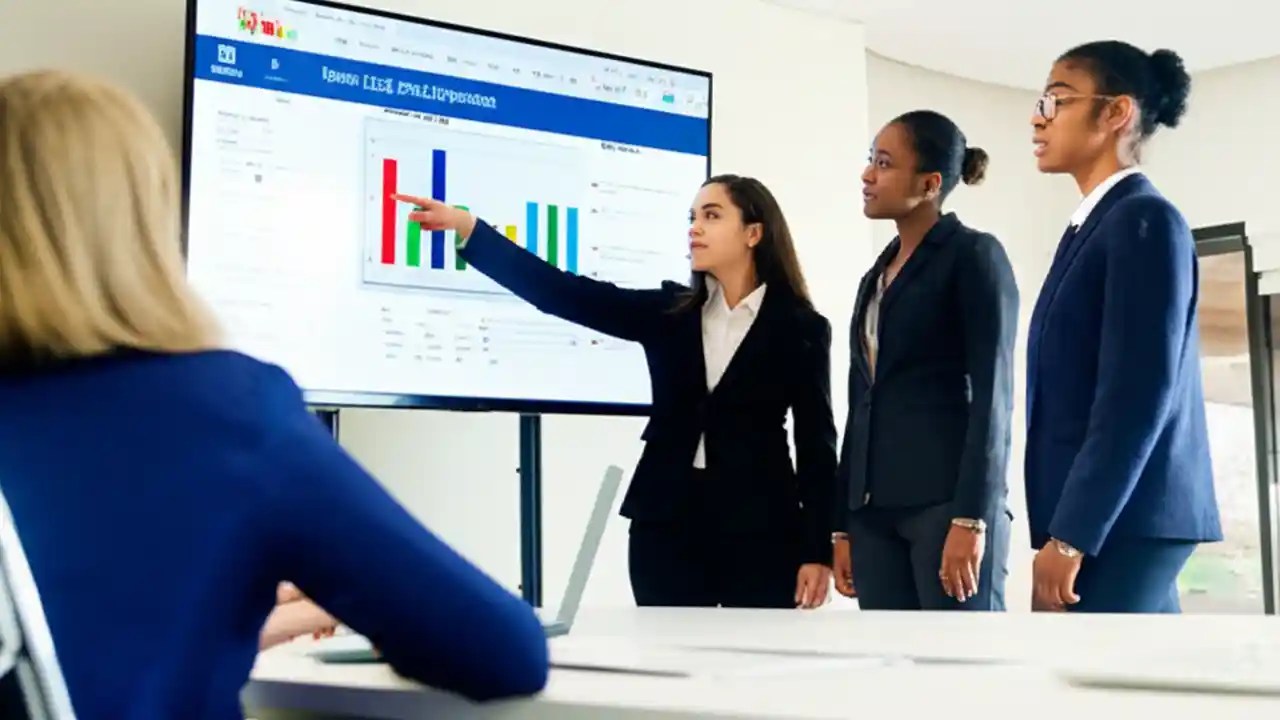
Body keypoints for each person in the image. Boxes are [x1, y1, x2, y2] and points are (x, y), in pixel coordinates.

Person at [0, 69, 549, 718]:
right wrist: (329, 593)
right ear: (143, 222)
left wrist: (233, 603)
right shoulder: (227, 411)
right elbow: (503, 653)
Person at [393, 174, 838, 610]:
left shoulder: (801, 329)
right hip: (665, 525)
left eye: (712, 215)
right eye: (692, 216)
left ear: (753, 233)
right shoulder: (670, 313)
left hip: (763, 530)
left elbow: (816, 444)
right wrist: (472, 231)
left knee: (751, 670)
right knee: (667, 664)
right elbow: (562, 294)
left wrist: (817, 549)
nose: (694, 227)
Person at [1025, 41, 1222, 613]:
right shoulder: (1094, 226)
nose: (1038, 117)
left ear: (1116, 113)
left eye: (1056, 101)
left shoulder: (1143, 219)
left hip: (1126, 521)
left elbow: (1135, 395)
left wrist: (1072, 534)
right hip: (1112, 518)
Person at [831, 111, 1019, 610]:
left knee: (959, 675)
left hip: (945, 507)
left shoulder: (974, 256)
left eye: (885, 163)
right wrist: (841, 524)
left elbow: (994, 398)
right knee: (889, 676)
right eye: (870, 160)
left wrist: (972, 516)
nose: (868, 175)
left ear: (930, 183)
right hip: (872, 514)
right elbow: (861, 400)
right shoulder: (875, 276)